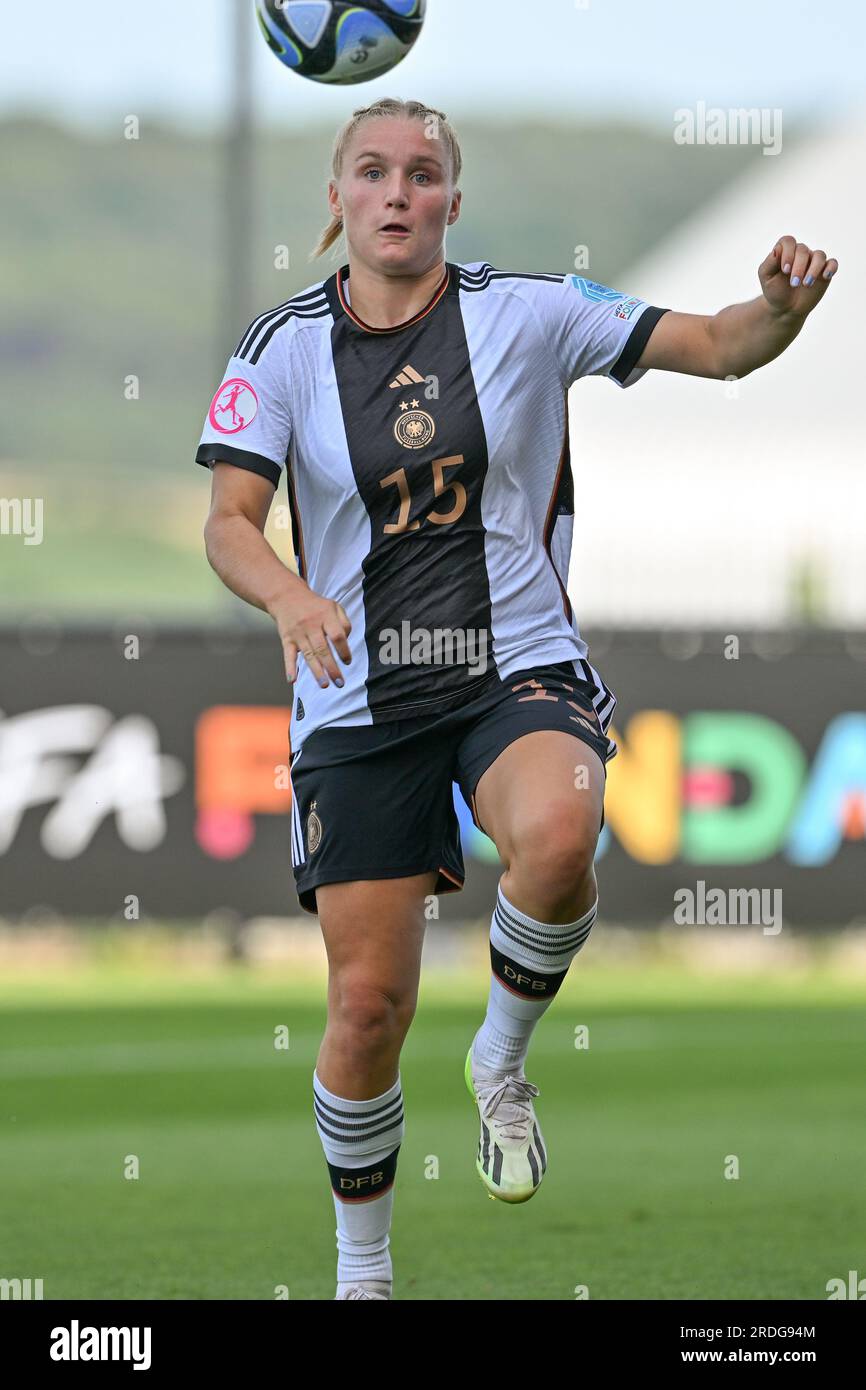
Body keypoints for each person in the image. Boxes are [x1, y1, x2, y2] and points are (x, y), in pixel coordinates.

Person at [195, 97, 837, 1300]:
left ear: (452, 200)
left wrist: (784, 307)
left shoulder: (534, 313)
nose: (398, 192)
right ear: (335, 201)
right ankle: (363, 1273)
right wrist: (289, 598)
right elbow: (228, 525)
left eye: (423, 174)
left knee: (555, 836)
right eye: (372, 173)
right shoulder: (277, 350)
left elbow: (717, 340)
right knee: (368, 1007)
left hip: (514, 666)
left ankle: (499, 1059)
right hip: (357, 698)